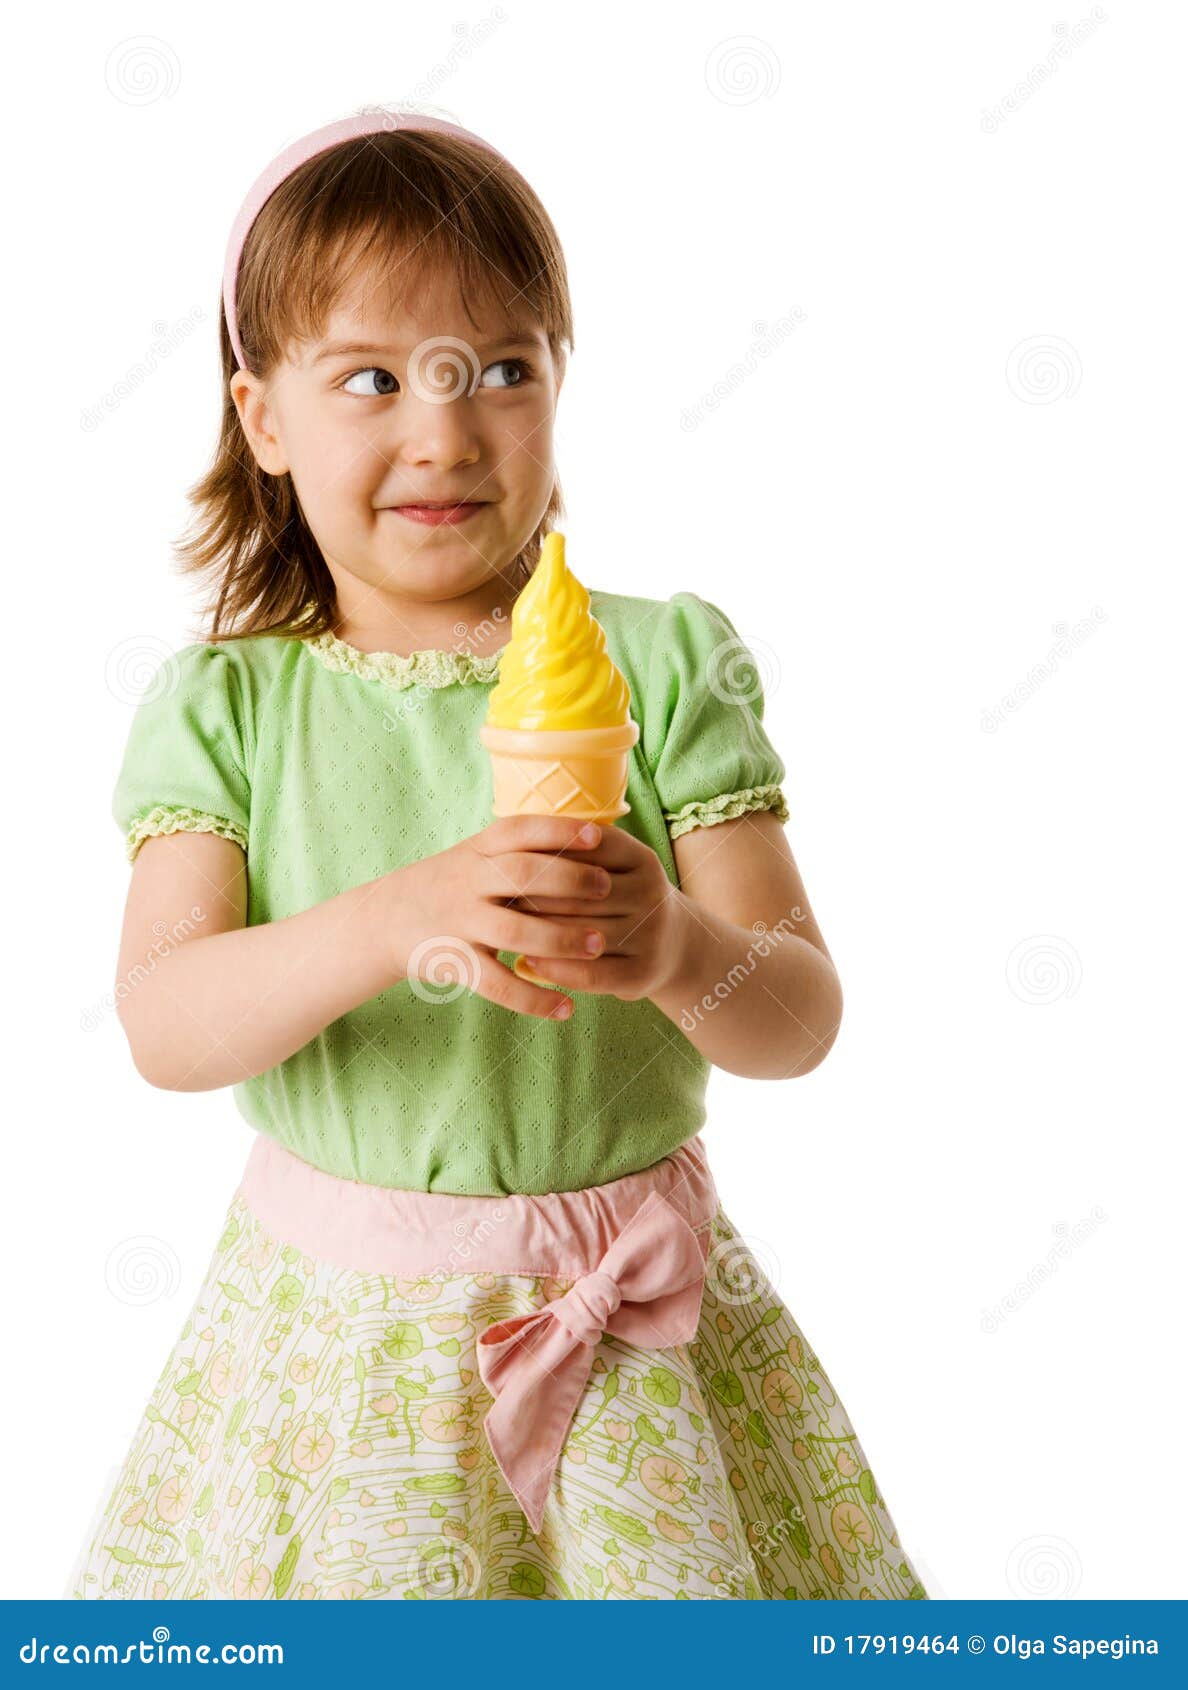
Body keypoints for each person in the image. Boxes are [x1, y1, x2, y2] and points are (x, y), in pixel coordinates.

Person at [70, 111, 927, 1601]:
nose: (446, 430)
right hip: (336, 1359)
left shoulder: (661, 666)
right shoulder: (231, 707)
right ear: (264, 419)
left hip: (643, 1345)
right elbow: (165, 1020)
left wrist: (675, 948)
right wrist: (398, 911)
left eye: (504, 369)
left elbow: (798, 1022)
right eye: (373, 378)